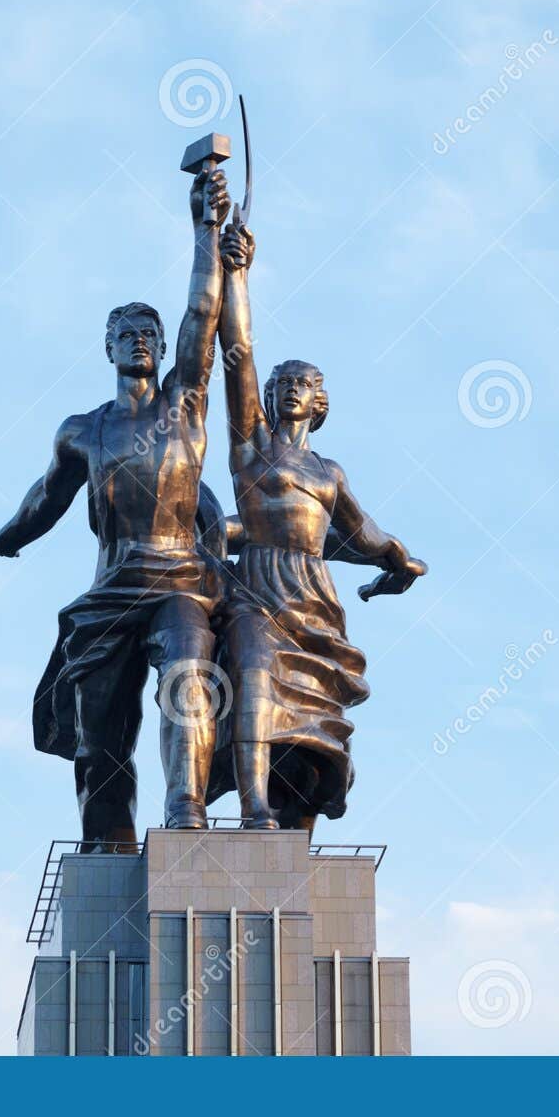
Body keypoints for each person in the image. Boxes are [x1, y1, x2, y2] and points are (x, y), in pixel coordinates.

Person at [0, 166, 231, 851]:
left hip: (178, 582)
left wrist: (204, 228)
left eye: (151, 333)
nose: (141, 339)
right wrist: (3, 539)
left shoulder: (184, 406)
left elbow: (204, 312)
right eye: (127, 332)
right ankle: (107, 843)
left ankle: (186, 810)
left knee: (188, 677)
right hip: (111, 591)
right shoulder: (81, 429)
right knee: (97, 738)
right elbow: (45, 498)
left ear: (165, 350)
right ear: (108, 348)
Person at [207, 219, 426, 832]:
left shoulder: (329, 473)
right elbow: (240, 355)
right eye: (283, 384)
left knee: (309, 724)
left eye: (304, 384)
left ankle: (293, 805)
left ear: (319, 400)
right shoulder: (250, 449)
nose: (291, 390)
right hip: (255, 586)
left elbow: (364, 536)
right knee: (252, 677)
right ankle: (253, 808)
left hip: (315, 599)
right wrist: (237, 274)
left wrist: (400, 560)